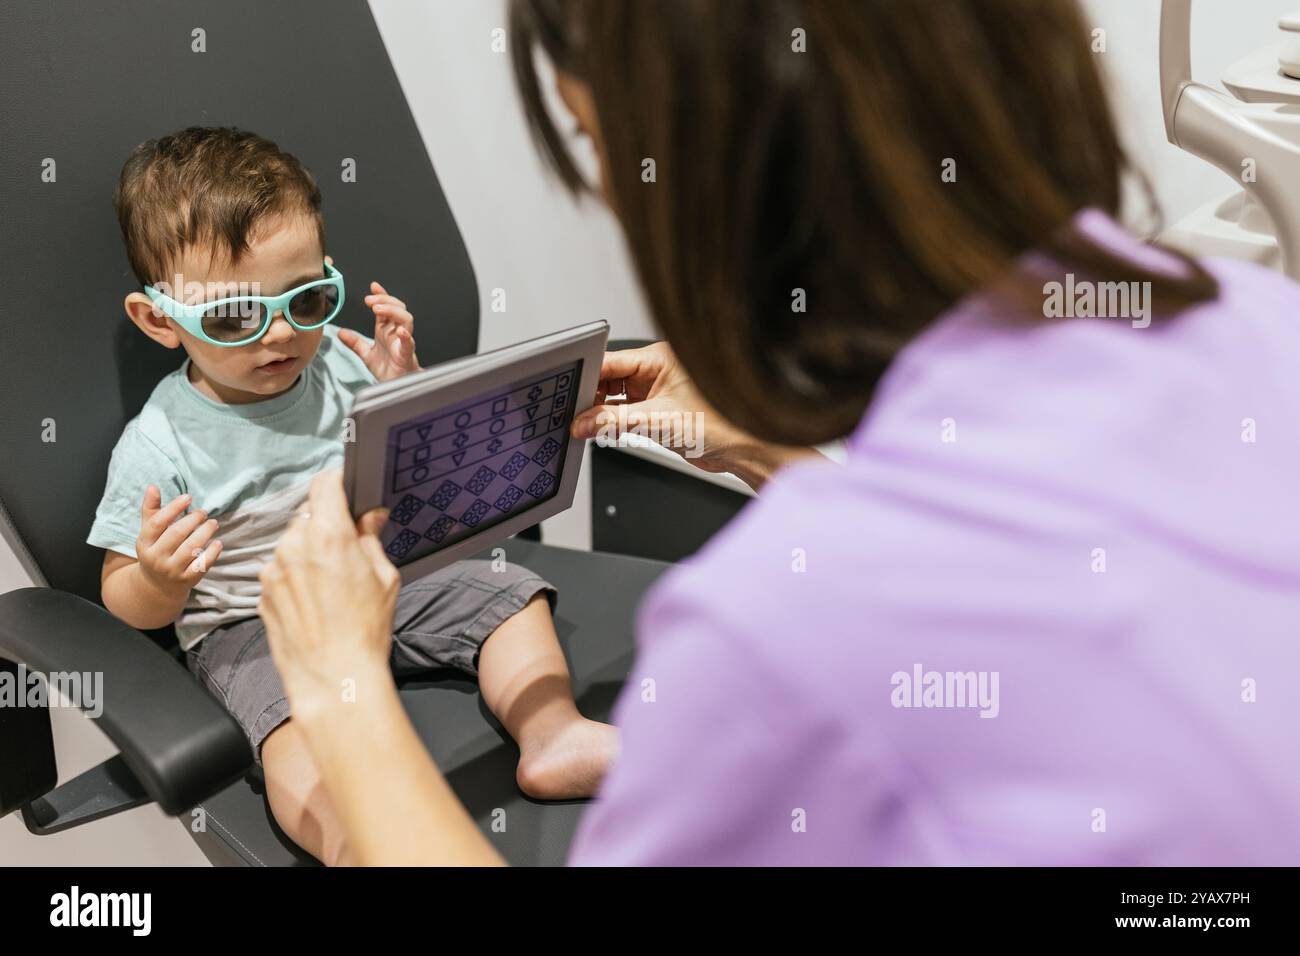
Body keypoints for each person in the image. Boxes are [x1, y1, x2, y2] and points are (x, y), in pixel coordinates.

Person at [257, 0, 1300, 865]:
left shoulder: (773, 640)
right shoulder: (1262, 325)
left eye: (595, 145)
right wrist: (777, 451)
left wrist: (339, 685)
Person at [86, 127, 618, 866]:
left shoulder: (337, 359)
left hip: (385, 576)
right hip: (255, 625)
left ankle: (551, 731)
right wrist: (156, 579)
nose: (278, 334)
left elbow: (404, 462)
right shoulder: (160, 443)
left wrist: (404, 384)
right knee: (290, 740)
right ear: (159, 320)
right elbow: (122, 597)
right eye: (235, 316)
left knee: (508, 591)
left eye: (305, 300)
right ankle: (348, 842)